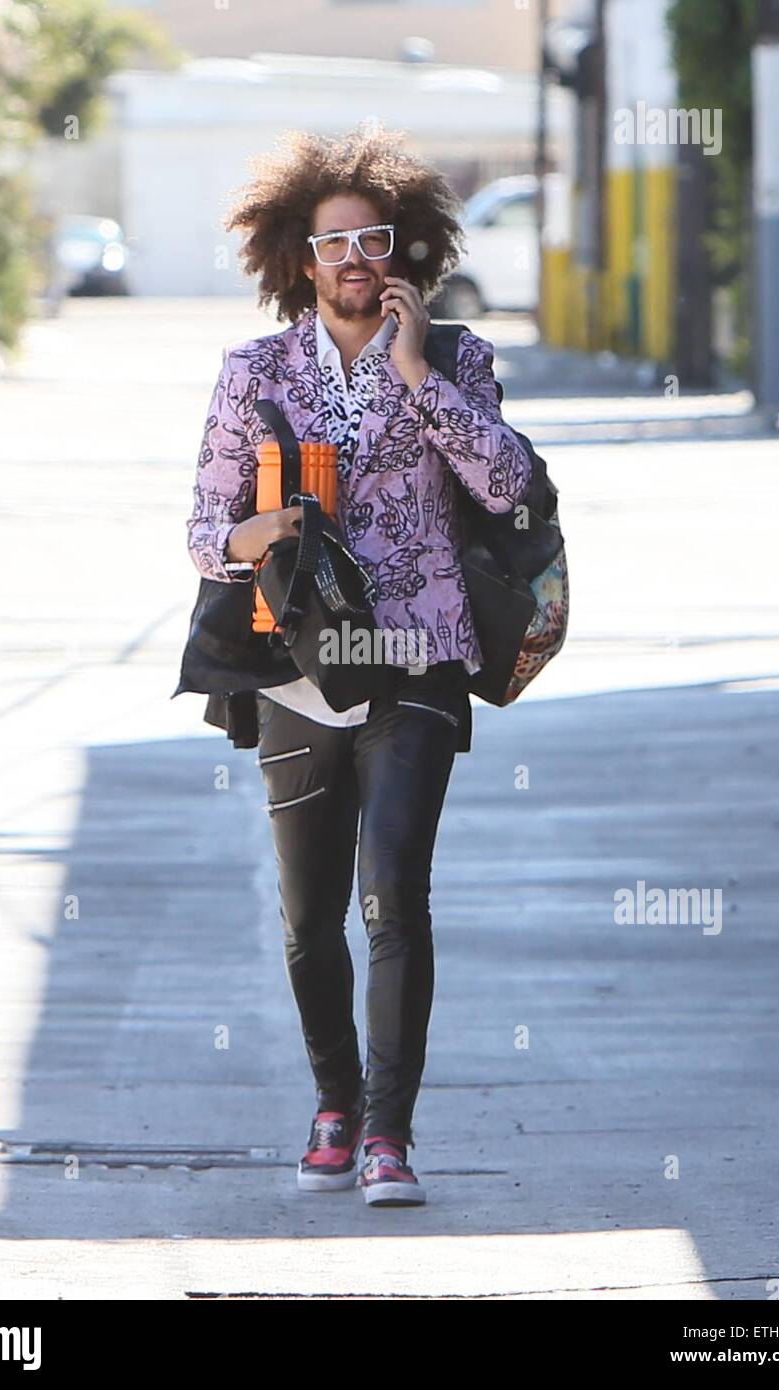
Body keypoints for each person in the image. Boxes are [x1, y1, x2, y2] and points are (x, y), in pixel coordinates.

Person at [187, 122, 531, 1206]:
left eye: (372, 240)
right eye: (331, 244)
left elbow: (506, 484)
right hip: (295, 662)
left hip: (415, 652)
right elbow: (204, 533)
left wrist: (420, 369)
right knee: (307, 913)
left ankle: (388, 1133)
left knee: (392, 893)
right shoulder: (254, 374)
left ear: (404, 251)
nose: (353, 260)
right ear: (298, 257)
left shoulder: (461, 357)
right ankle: (331, 1103)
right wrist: (270, 525)